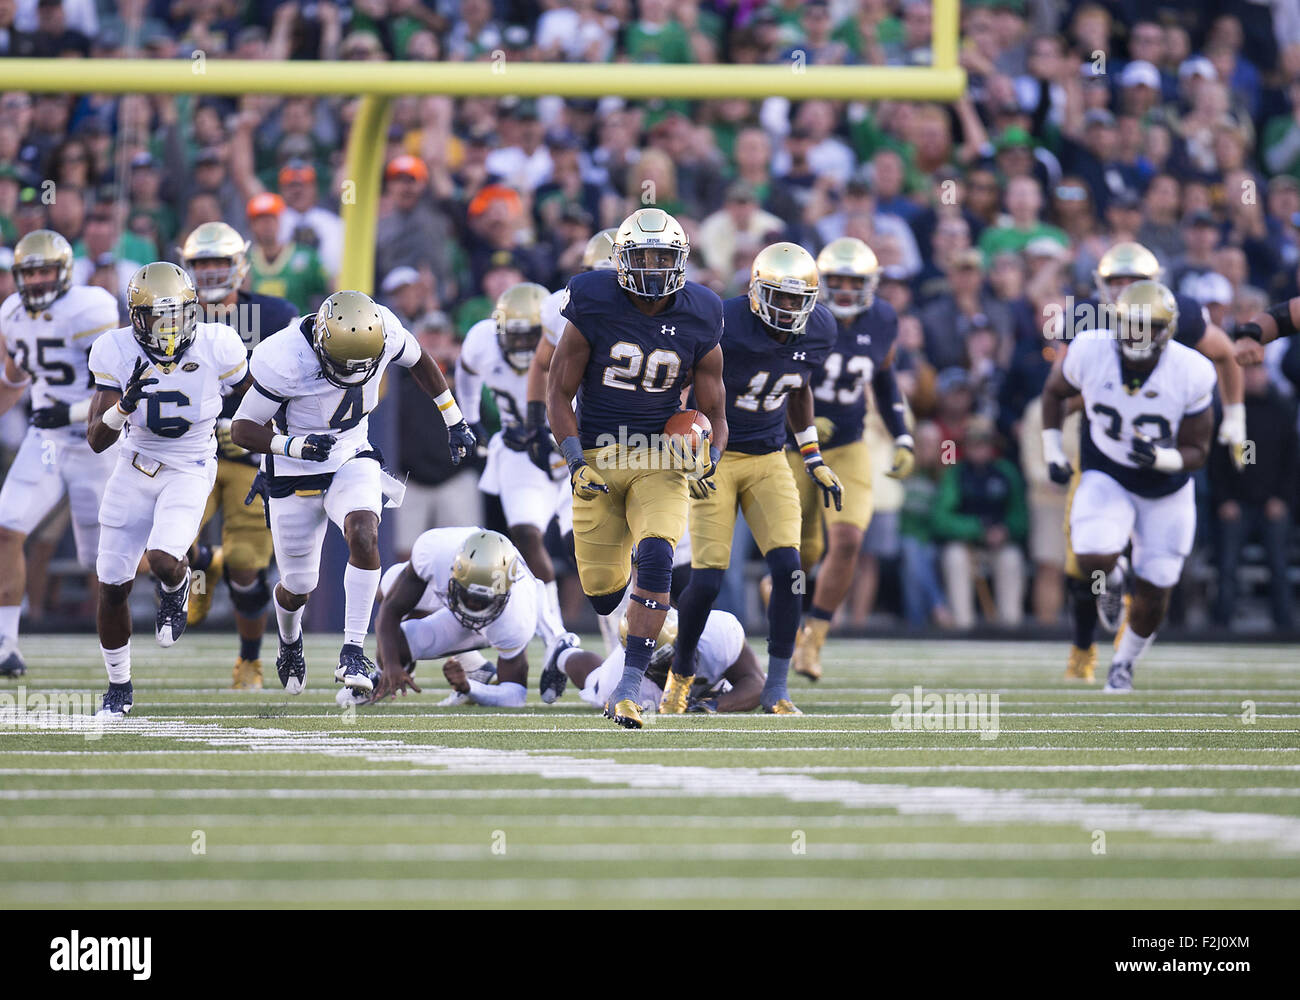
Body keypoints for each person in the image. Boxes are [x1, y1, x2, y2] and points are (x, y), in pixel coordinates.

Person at [230, 290, 476, 697]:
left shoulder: (386, 329)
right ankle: (289, 641)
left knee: (364, 532)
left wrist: (453, 419)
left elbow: (420, 362)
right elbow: (242, 428)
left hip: (350, 451)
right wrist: (292, 446)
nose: (354, 372)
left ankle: (353, 649)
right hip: (292, 467)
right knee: (297, 587)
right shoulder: (284, 356)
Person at [546, 207, 728, 729]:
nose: (652, 267)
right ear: (621, 260)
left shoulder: (702, 312)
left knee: (657, 555)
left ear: (681, 260)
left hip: (658, 456)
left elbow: (717, 412)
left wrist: (710, 456)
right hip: (602, 454)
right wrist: (575, 459)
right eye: (642, 256)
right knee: (603, 594)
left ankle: (627, 688)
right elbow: (557, 394)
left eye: (662, 257)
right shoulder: (593, 298)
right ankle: (627, 637)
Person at [1057, 241, 1243, 680]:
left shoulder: (1183, 316)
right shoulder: (1086, 321)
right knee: (1083, 555)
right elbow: (1065, 384)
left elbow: (1225, 352)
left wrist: (1236, 414)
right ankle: (1083, 650)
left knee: (1158, 569)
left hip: (1168, 453)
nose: (1123, 290)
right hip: (1106, 451)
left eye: (1133, 282)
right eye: (1115, 282)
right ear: (1099, 285)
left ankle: (1123, 656)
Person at [668, 241, 839, 717]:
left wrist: (812, 455)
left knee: (791, 571)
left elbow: (798, 387)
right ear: (754, 290)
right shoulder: (722, 323)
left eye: (795, 298)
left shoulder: (821, 329)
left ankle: (777, 689)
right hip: (717, 458)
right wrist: (688, 454)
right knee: (706, 581)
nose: (787, 308)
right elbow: (681, 389)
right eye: (777, 297)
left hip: (769, 458)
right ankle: (679, 681)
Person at [84, 263, 251, 716]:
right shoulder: (113, 350)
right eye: (157, 317)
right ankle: (119, 687)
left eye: (175, 314)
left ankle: (177, 588)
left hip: (191, 465)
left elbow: (254, 397)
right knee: (112, 584)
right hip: (134, 465)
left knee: (161, 557)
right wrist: (122, 406)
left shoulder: (220, 343)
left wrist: (270, 445)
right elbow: (97, 440)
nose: (168, 326)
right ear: (135, 318)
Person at [178, 221, 298, 690]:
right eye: (200, 263)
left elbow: (294, 384)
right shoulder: (169, 314)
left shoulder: (274, 316)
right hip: (186, 451)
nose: (208, 273)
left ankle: (249, 660)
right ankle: (203, 560)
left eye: (218, 263)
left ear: (240, 265)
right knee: (164, 545)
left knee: (247, 566)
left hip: (251, 459)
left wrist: (253, 431)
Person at [787, 237, 913, 681]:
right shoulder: (801, 315)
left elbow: (883, 375)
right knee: (799, 556)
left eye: (852, 281)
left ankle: (813, 643)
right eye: (835, 280)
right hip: (794, 449)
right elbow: (776, 378)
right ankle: (781, 592)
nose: (842, 290)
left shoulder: (881, 318)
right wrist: (797, 428)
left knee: (849, 542)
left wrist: (903, 435)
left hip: (849, 445)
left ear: (870, 284)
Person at [0, 230, 119, 677]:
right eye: (28, 273)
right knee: (8, 527)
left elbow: (114, 383)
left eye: (44, 271)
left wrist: (66, 411)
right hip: (47, 442)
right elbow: (13, 379)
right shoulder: (12, 313)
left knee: (106, 559)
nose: (35, 281)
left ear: (64, 273)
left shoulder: (89, 308)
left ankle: (185, 568)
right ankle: (6, 643)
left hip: (96, 442)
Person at [455, 281, 575, 650]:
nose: (524, 346)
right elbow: (465, 370)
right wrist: (471, 418)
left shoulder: (569, 340)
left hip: (573, 442)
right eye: (516, 336)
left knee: (584, 542)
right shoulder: (481, 341)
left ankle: (618, 625)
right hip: (518, 446)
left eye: (532, 337)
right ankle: (554, 631)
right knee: (525, 533)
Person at [364, 527, 549, 709]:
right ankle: (477, 668)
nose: (473, 607)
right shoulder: (436, 553)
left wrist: (469, 688)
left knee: (395, 644)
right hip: (451, 595)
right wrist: (391, 665)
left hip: (493, 622)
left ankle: (475, 671)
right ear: (455, 571)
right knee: (387, 588)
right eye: (469, 596)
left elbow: (515, 695)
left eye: (481, 601)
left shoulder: (517, 614)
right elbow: (391, 609)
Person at [557, 607, 763, 715]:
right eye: (667, 663)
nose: (676, 663)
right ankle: (563, 653)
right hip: (624, 677)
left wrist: (713, 705)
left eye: (677, 651)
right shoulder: (624, 688)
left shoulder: (716, 633)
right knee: (594, 679)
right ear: (647, 669)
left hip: (705, 685)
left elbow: (756, 683)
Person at [931, 415, 1028, 629]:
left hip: (1000, 546)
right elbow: (940, 519)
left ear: (992, 445)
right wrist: (976, 529)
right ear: (966, 445)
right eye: (974, 443)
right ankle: (962, 626)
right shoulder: (954, 474)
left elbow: (1020, 518)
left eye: (983, 442)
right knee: (954, 557)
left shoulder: (1007, 472)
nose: (979, 448)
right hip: (964, 545)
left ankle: (1011, 627)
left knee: (1012, 559)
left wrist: (1005, 531)